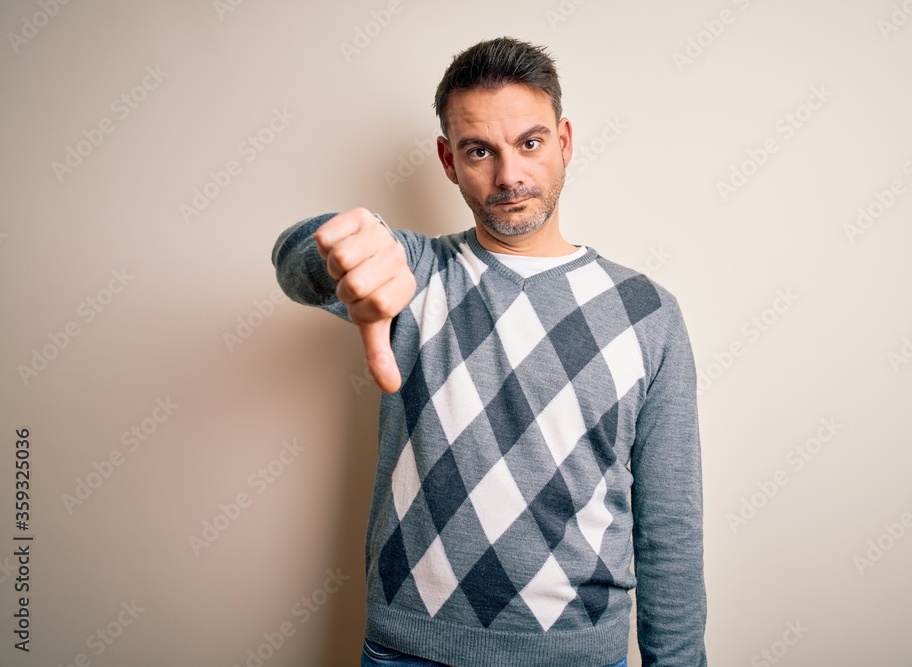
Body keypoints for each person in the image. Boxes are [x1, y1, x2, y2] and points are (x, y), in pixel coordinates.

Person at [271, 37, 707, 667]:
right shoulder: (411, 273)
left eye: (529, 143)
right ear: (449, 161)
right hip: (407, 654)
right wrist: (332, 249)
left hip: (581, 657)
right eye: (480, 151)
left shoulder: (648, 313)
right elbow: (297, 264)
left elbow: (671, 530)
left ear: (564, 141)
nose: (509, 176)